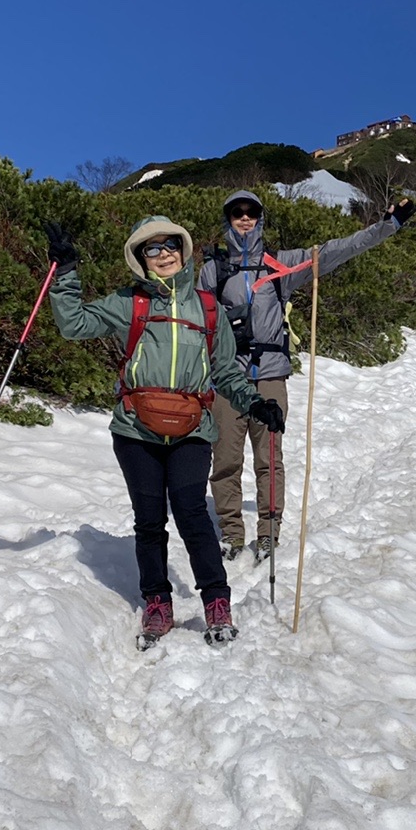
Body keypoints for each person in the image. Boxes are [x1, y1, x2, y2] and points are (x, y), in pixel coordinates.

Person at [45, 215, 286, 653]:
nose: (163, 255)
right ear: (140, 258)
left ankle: (216, 600)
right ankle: (157, 600)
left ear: (184, 249)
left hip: (193, 429)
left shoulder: (206, 306)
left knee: (193, 513)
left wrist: (254, 402)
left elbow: (226, 370)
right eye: (152, 249)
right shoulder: (129, 303)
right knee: (149, 521)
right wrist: (66, 273)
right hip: (136, 429)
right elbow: (74, 325)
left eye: (170, 245)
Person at [197, 189, 416, 560]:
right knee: (226, 459)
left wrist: (387, 226)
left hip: (269, 376)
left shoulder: (280, 264)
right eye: (237, 213)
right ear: (228, 220)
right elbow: (193, 322)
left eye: (251, 212)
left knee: (269, 458)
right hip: (226, 379)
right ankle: (232, 532)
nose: (245, 218)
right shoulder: (212, 270)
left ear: (261, 218)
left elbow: (334, 251)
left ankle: (268, 532)